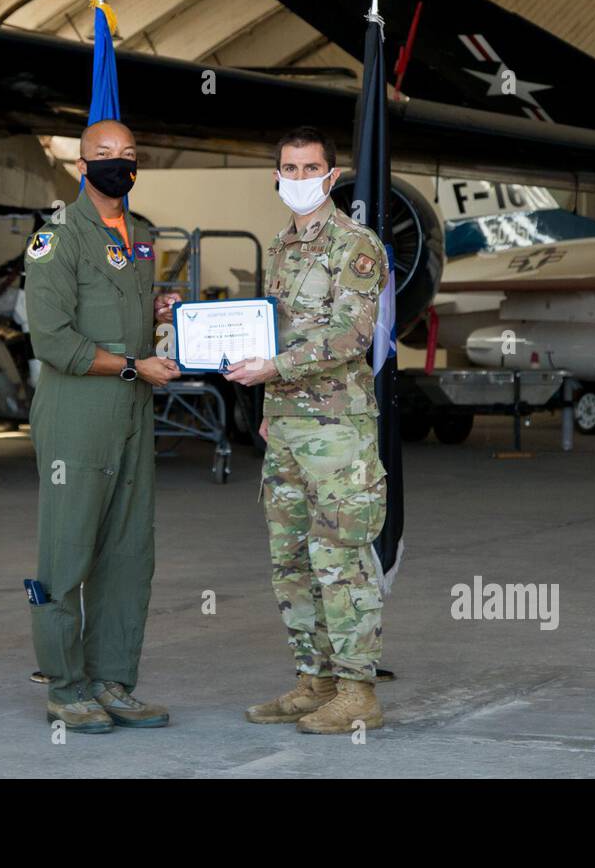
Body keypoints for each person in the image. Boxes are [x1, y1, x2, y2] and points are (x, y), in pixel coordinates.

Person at [225, 125, 389, 735]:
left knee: (339, 556)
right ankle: (314, 680)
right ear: (277, 175)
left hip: (338, 430)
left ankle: (357, 690)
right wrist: (269, 399)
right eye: (288, 168)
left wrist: (278, 367)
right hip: (289, 425)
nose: (298, 179)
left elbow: (354, 335)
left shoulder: (356, 244)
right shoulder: (281, 245)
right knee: (290, 558)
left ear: (332, 174)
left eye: (309, 168)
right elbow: (275, 328)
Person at [23, 118, 180, 733]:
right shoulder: (57, 237)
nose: (119, 162)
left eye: (130, 154)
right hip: (79, 411)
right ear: (82, 166)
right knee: (67, 551)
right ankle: (65, 686)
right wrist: (134, 365)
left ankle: (112, 680)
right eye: (105, 154)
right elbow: (53, 340)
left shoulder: (140, 235)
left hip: (133, 409)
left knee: (127, 550)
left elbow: (123, 307)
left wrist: (157, 308)